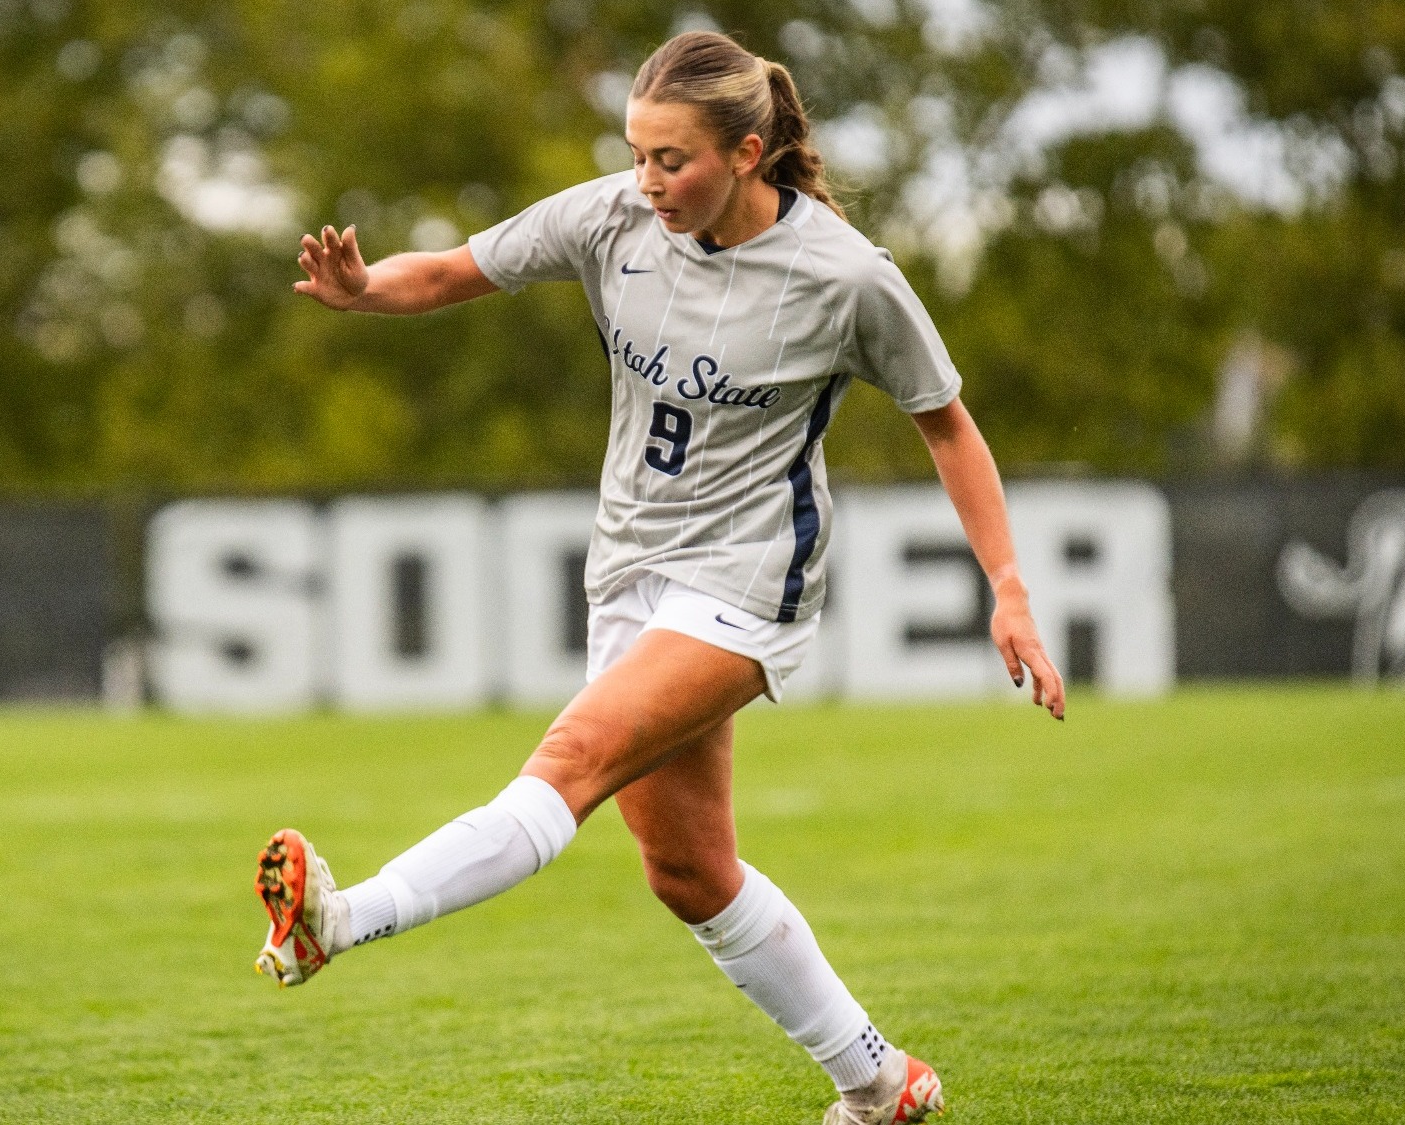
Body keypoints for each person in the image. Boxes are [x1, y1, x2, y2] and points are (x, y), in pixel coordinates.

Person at [252, 29, 1065, 1125]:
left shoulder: (842, 277)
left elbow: (945, 426)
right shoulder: (614, 220)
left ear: (745, 151)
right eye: (636, 154)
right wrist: (363, 290)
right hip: (629, 569)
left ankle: (340, 921)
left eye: (669, 160)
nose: (647, 181)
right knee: (685, 871)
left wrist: (1007, 587)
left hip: (749, 579)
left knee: (571, 756)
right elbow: (450, 272)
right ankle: (879, 1083)